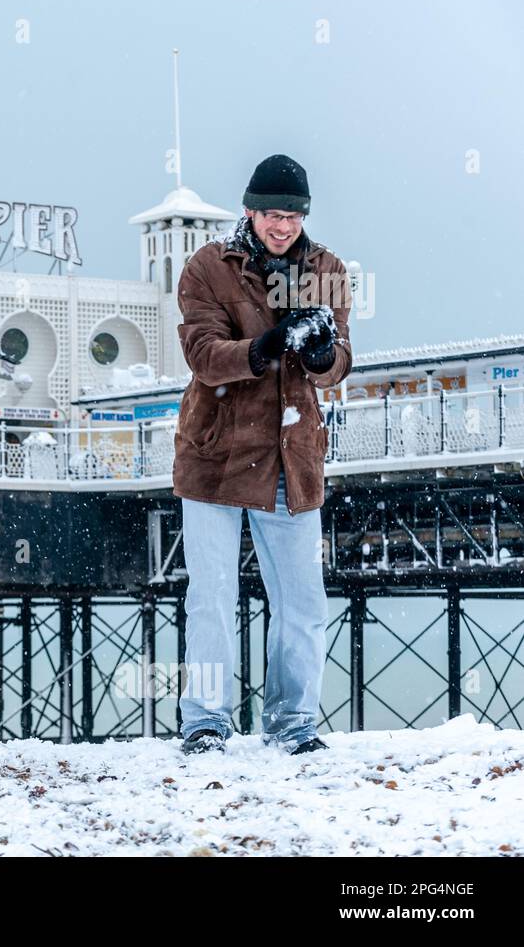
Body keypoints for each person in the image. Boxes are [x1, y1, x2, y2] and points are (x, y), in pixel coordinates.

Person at [172, 154, 353, 756]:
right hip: (216, 456)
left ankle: (292, 720)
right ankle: (204, 719)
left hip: (291, 456)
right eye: (274, 214)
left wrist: (325, 354)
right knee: (212, 596)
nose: (284, 226)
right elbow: (203, 356)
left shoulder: (327, 270)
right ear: (249, 210)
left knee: (303, 600)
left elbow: (338, 366)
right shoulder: (206, 268)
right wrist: (268, 345)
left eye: (294, 215)